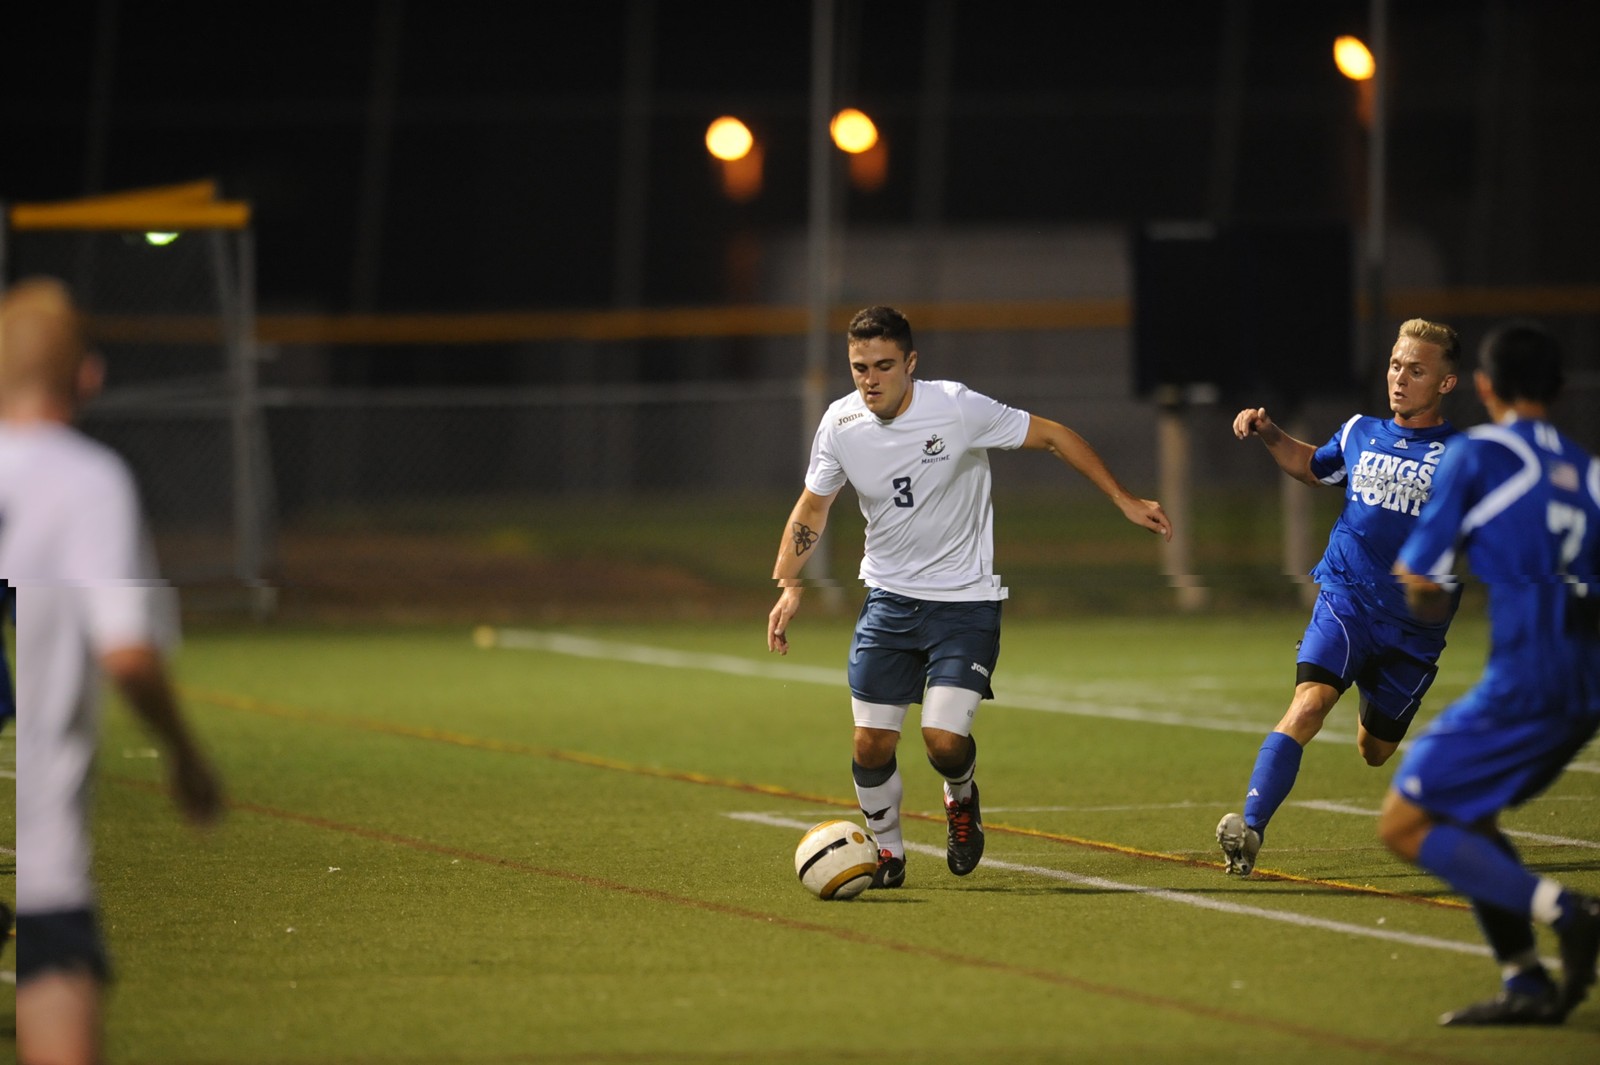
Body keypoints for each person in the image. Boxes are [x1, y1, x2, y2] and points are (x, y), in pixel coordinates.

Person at [766, 305, 1172, 888]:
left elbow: (1053, 435)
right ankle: (888, 854)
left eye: (884, 365)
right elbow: (813, 504)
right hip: (888, 601)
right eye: (859, 367)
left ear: (911, 363)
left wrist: (1123, 499)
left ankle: (961, 798)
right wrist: (789, 582)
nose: (870, 379)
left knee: (943, 740)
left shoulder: (956, 408)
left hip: (964, 603)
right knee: (870, 742)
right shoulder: (839, 424)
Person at [0, 277, 224, 1065]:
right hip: (49, 865)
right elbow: (128, 655)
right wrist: (187, 758)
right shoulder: (86, 480)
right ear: (87, 375)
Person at [1381, 322, 1600, 1026]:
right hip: (1586, 686)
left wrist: (1424, 590)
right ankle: (1525, 980)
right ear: (1560, 391)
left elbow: (1423, 574)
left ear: (1482, 386)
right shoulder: (1591, 472)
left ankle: (1566, 911)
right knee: (1466, 809)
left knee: (1405, 822)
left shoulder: (1477, 453)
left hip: (1526, 680)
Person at [1216, 318, 1463, 876]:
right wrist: (1271, 433)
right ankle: (1251, 830)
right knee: (1309, 703)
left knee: (1374, 751)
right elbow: (1311, 466)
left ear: (1445, 384)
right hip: (1346, 599)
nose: (1400, 378)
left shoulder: (1464, 457)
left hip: (1414, 628)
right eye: (1397, 365)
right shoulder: (1358, 431)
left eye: (1417, 370)